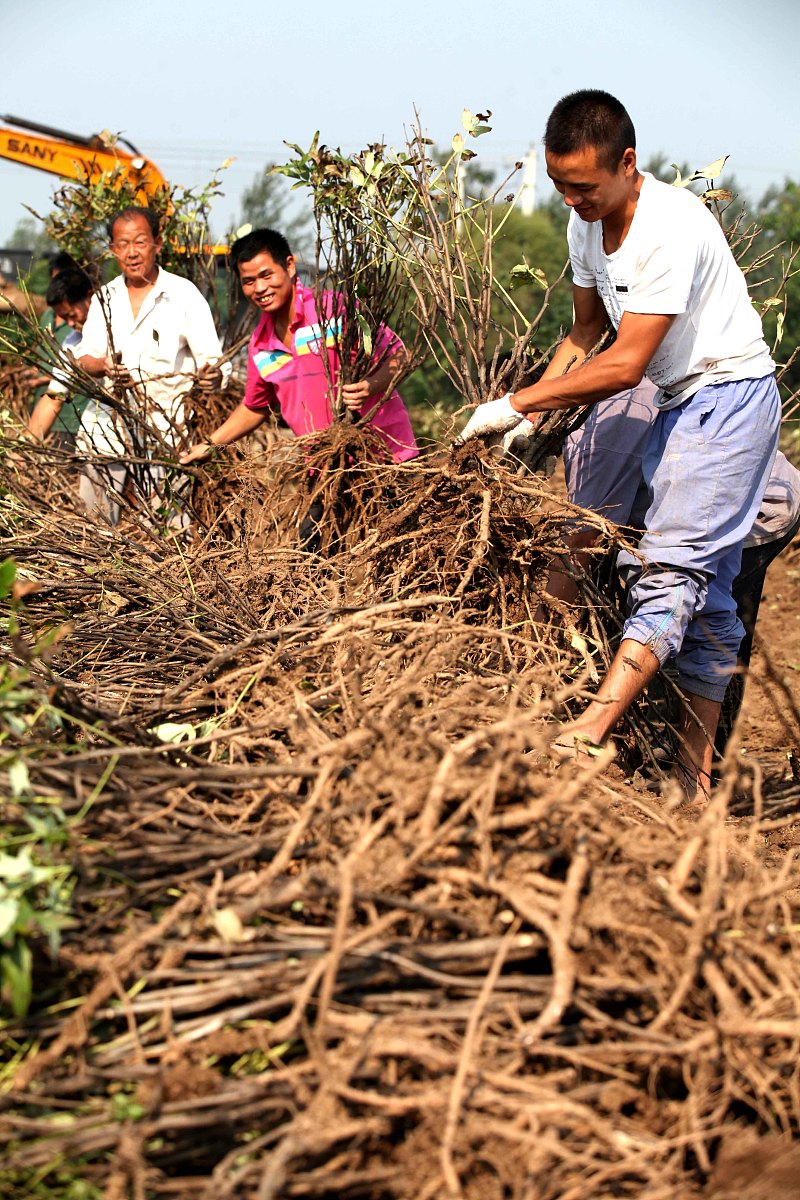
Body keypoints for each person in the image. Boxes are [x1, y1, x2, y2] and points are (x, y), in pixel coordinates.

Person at [458, 90, 780, 802]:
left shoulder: (670, 226)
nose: (572, 200)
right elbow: (583, 337)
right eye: (561, 185)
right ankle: (694, 784)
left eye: (584, 185)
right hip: (676, 404)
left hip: (726, 399)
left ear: (627, 163)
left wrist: (516, 399)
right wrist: (525, 422)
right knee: (711, 602)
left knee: (667, 572)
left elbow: (627, 361)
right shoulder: (587, 225)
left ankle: (588, 732)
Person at [179, 227, 418, 468]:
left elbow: (400, 355)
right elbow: (256, 406)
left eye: (266, 275)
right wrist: (211, 444)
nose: (260, 288)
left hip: (386, 460)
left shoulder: (334, 311)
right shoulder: (260, 346)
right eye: (249, 282)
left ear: (289, 266)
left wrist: (370, 386)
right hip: (323, 468)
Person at [77, 206, 227, 523]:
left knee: (170, 537)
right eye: (122, 244)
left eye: (140, 242)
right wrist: (103, 365)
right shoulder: (105, 297)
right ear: (112, 249)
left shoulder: (184, 294)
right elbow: (84, 359)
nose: (132, 253)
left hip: (167, 438)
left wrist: (211, 377)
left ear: (157, 243)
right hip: (105, 433)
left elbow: (214, 365)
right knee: (94, 534)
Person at [26, 268, 93, 454]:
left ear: (91, 296)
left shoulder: (119, 327)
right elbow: (54, 397)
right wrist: (25, 446)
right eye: (65, 318)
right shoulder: (73, 342)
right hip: (94, 438)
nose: (71, 324)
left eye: (72, 315)